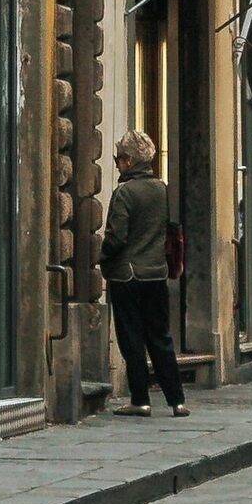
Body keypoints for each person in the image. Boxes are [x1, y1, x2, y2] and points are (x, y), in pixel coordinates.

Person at [101, 133, 189, 417]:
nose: (117, 165)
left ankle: (140, 399)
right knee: (160, 337)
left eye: (118, 160)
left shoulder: (125, 193)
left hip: (127, 275)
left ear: (128, 161)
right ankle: (177, 400)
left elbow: (117, 237)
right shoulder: (162, 189)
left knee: (131, 339)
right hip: (156, 275)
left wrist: (103, 256)